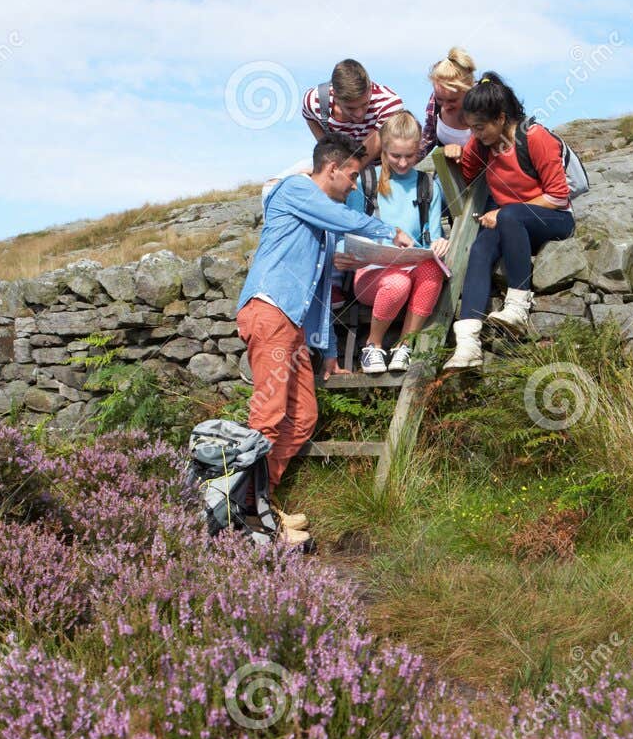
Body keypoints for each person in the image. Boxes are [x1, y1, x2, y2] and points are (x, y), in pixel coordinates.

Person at [237, 133, 413, 541]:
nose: (355, 186)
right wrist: (390, 231)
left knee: (302, 418)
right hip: (271, 310)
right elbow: (348, 219)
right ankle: (248, 516)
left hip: (295, 325)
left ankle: (260, 501)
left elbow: (319, 293)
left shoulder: (322, 223)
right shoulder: (295, 189)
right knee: (269, 414)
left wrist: (329, 351)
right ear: (331, 169)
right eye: (352, 176)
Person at [444, 72, 574, 370]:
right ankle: (468, 343)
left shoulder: (535, 138)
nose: (475, 134)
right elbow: (467, 176)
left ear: (501, 118)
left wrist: (503, 213)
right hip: (509, 223)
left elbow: (558, 197)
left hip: (552, 220)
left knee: (512, 213)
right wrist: (454, 154)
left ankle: (518, 306)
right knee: (479, 250)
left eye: (480, 127)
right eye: (471, 128)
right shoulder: (480, 146)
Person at [343, 112, 448, 374]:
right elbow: (347, 229)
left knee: (433, 270)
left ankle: (405, 344)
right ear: (384, 149)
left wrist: (439, 244)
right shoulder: (365, 182)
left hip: (413, 265)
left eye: (410, 156)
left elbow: (433, 233)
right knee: (397, 282)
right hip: (372, 274)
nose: (403, 163)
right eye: (395, 156)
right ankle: (373, 345)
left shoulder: (427, 185)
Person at [301, 59, 404, 164]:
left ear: (369, 90)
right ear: (335, 96)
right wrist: (329, 153)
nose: (359, 114)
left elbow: (361, 159)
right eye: (350, 108)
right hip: (338, 164)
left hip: (378, 166)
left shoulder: (388, 104)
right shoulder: (315, 101)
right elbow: (310, 118)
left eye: (364, 104)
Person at [418, 47, 476, 158]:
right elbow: (428, 138)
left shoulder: (484, 102)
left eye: (452, 100)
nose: (445, 106)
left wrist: (463, 152)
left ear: (468, 89)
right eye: (440, 99)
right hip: (449, 171)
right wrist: (406, 159)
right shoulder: (434, 104)